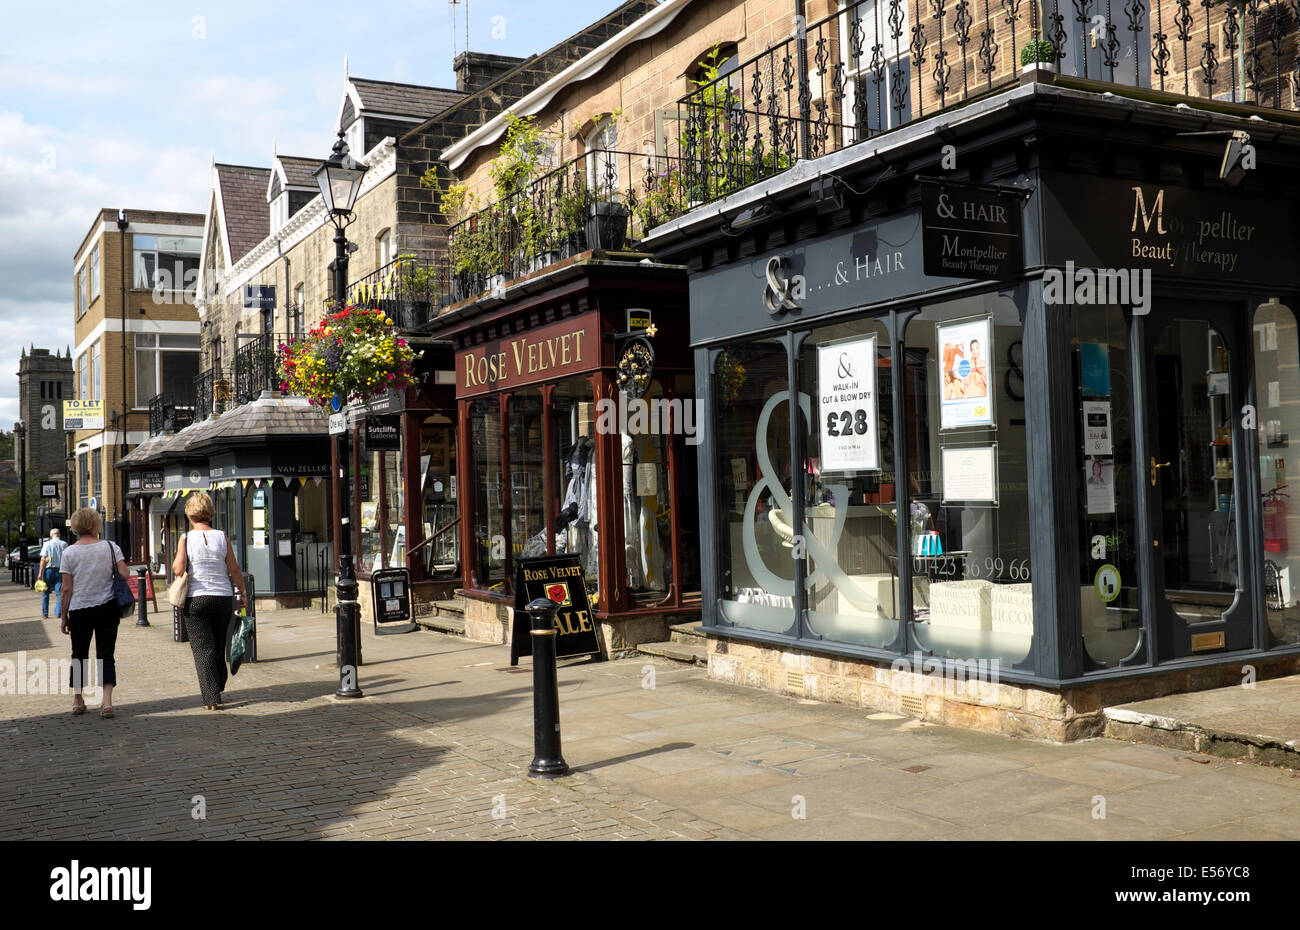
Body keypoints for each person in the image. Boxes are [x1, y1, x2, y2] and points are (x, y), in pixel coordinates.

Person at [172, 491, 249, 711]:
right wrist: (242, 594)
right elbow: (234, 568)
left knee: (202, 648)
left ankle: (211, 697)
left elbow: (178, 569)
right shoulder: (222, 536)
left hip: (196, 599)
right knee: (216, 646)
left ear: (189, 514)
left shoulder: (186, 538)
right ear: (209, 512)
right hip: (222, 598)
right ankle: (218, 684)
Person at [58, 508, 130, 718]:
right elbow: (125, 573)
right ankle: (106, 702)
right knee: (106, 653)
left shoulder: (69, 553)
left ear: (75, 526)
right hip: (107, 606)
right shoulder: (110, 547)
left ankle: (78, 700)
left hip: (80, 609)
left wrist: (64, 616)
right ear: (96, 524)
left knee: (79, 654)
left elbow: (66, 588)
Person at [37, 528, 68, 619]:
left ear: (51, 535)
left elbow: (43, 559)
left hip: (48, 570)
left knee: (45, 593)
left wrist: (40, 573)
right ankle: (58, 612)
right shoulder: (64, 544)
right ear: (59, 534)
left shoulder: (47, 544)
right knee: (59, 593)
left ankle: (45, 613)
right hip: (60, 570)